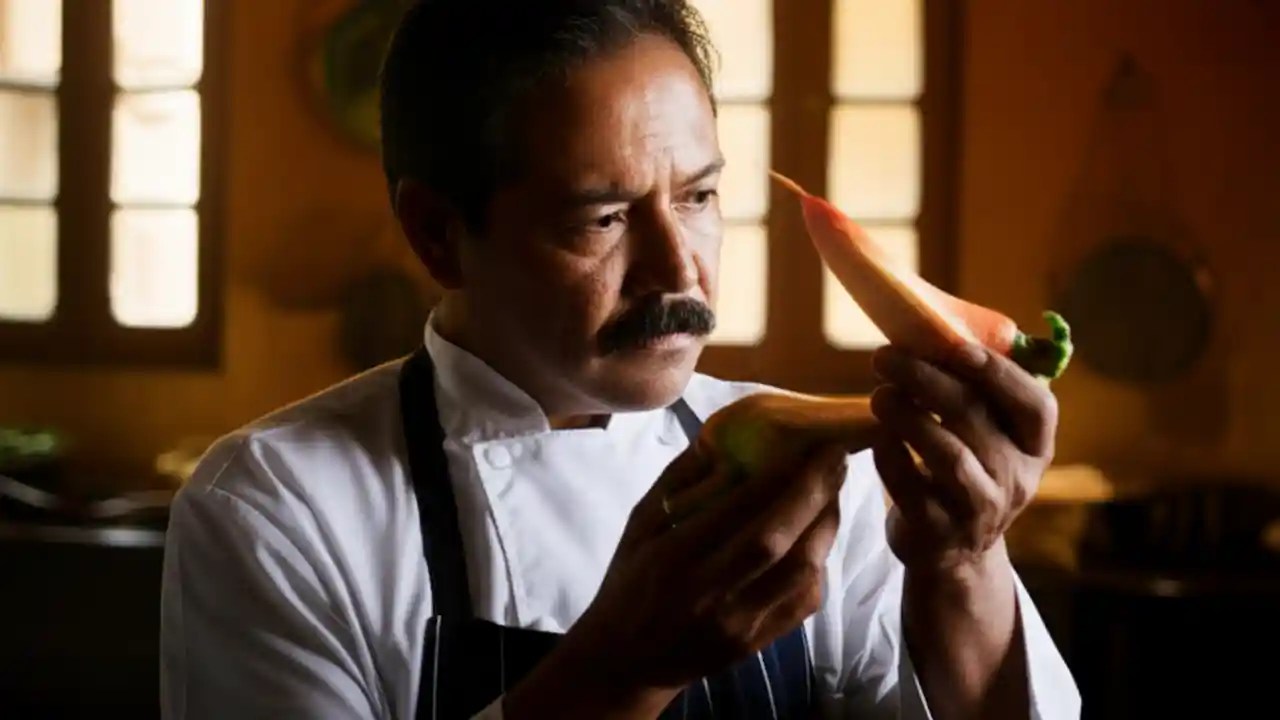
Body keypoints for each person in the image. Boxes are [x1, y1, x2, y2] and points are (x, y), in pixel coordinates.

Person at [159, 1, 1081, 718]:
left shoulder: (818, 472)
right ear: (437, 234)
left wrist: (964, 565)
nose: (678, 270)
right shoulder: (278, 509)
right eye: (602, 219)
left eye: (699, 197)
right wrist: (622, 670)